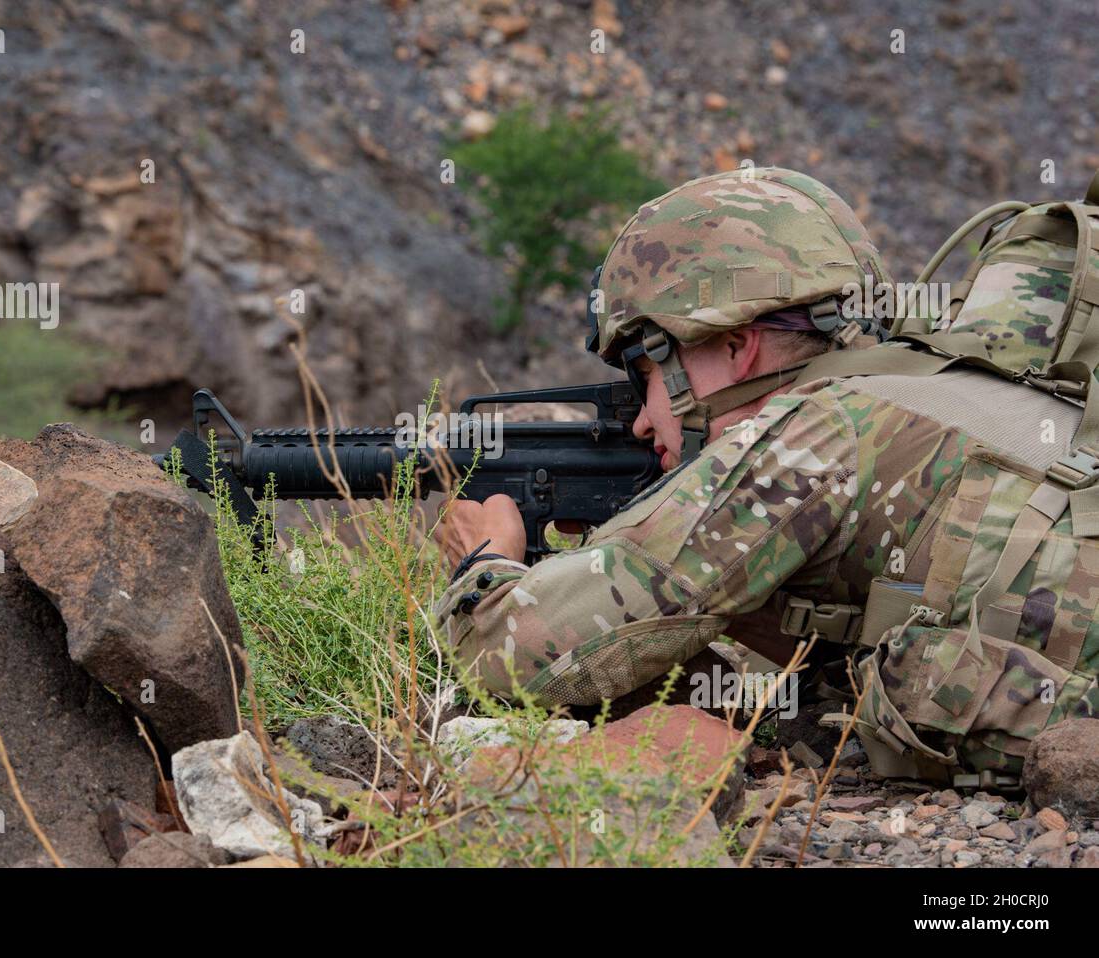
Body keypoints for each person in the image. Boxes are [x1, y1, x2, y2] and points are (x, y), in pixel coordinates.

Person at [432, 167, 1098, 782]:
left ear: (733, 344)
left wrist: (484, 562)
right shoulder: (958, 400)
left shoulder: (820, 429)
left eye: (646, 374)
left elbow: (517, 654)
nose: (641, 422)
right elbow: (816, 718)